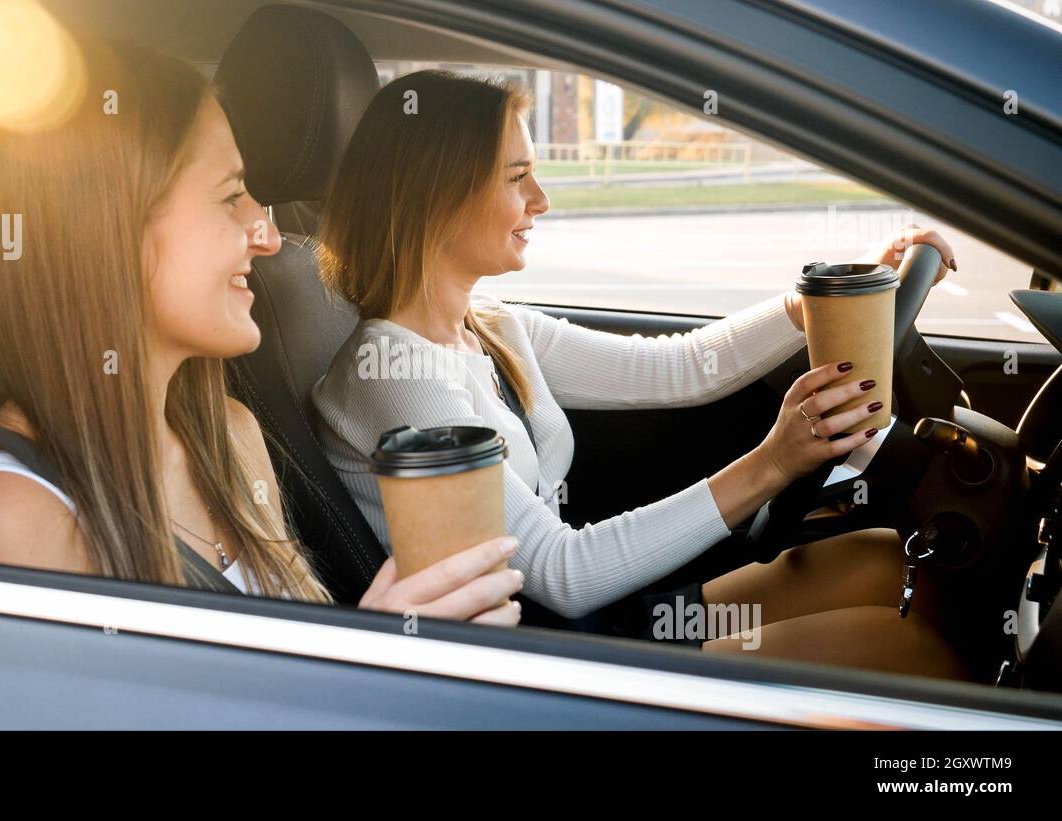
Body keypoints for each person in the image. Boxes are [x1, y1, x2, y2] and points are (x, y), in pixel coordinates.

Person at [311, 69, 967, 678]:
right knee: (905, 649)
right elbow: (560, 570)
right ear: (437, 195)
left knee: (885, 562)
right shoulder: (397, 380)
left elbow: (679, 367)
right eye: (517, 178)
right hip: (550, 660)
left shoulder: (490, 325)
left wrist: (810, 301)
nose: (540, 199)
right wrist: (773, 463)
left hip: (601, 618)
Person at [0, 43, 523, 626]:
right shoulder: (2, 517)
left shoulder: (230, 435)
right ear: (109, 229)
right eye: (231, 196)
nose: (269, 235)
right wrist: (370, 658)